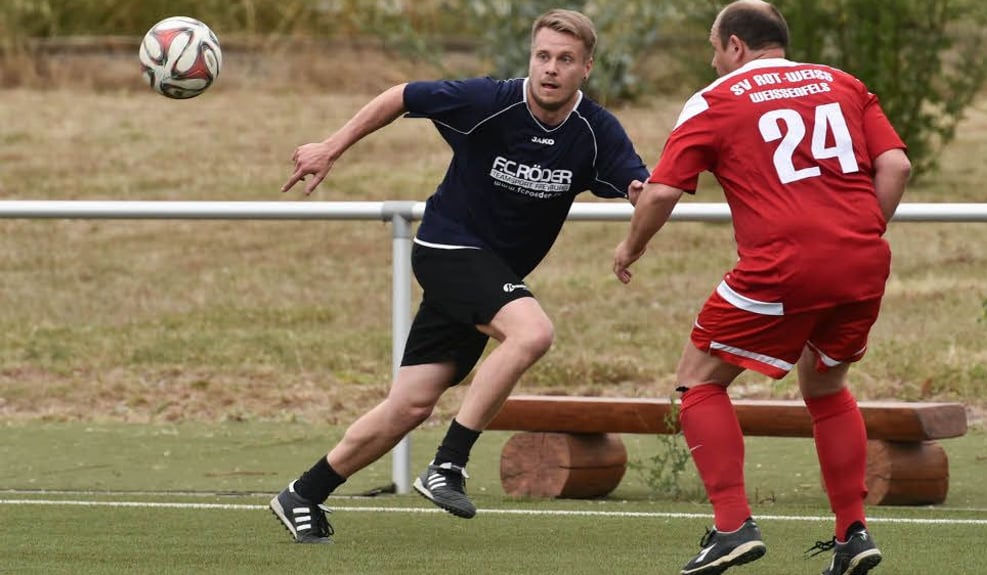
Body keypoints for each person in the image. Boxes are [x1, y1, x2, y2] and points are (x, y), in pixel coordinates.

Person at [270, 8, 649, 544]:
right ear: (530, 58)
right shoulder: (487, 101)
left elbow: (639, 186)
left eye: (565, 59)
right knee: (532, 333)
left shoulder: (595, 131)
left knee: (410, 404)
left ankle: (303, 494)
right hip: (447, 248)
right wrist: (331, 146)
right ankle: (448, 464)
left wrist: (642, 212)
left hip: (489, 275)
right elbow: (402, 96)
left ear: (586, 67)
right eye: (542, 56)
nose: (550, 68)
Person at [612, 1, 911, 574]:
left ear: (735, 46)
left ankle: (732, 526)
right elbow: (896, 166)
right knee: (826, 386)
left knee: (698, 379)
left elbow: (662, 192)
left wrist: (631, 247)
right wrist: (858, 233)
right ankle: (853, 532)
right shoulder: (843, 83)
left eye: (714, 48)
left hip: (783, 264)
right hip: (864, 260)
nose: (713, 61)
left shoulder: (716, 99)